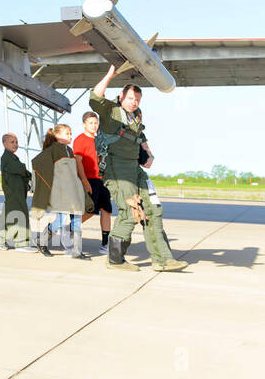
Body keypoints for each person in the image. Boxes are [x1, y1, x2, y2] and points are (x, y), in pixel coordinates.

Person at [91, 65, 187, 272]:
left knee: (153, 209)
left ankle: (163, 259)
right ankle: (115, 259)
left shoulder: (137, 115)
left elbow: (141, 137)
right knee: (129, 211)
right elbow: (95, 97)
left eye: (137, 100)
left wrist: (149, 154)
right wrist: (110, 74)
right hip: (117, 168)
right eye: (130, 99)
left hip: (135, 168)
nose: (134, 103)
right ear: (121, 97)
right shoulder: (111, 112)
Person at [31, 124, 91, 259]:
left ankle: (77, 251)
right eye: (67, 133)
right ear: (57, 136)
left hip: (73, 192)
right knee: (59, 220)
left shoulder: (69, 150)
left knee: (76, 219)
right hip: (61, 193)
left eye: (70, 133)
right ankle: (42, 241)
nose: (70, 136)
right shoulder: (52, 150)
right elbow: (38, 162)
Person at [0, 133, 37, 252]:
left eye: (16, 142)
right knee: (20, 214)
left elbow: (20, 173)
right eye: (12, 142)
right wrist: (28, 173)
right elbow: (19, 169)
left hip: (17, 191)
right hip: (13, 191)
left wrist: (27, 182)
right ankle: (21, 243)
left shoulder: (12, 157)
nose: (15, 144)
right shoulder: (7, 157)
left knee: (9, 214)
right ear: (4, 144)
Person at [73, 110, 114, 254]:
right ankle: (71, 227)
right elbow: (78, 162)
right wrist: (84, 181)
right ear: (84, 124)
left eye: (96, 123)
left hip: (102, 180)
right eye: (90, 123)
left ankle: (105, 244)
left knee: (106, 211)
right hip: (89, 180)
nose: (94, 125)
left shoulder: (99, 140)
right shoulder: (79, 140)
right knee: (91, 211)